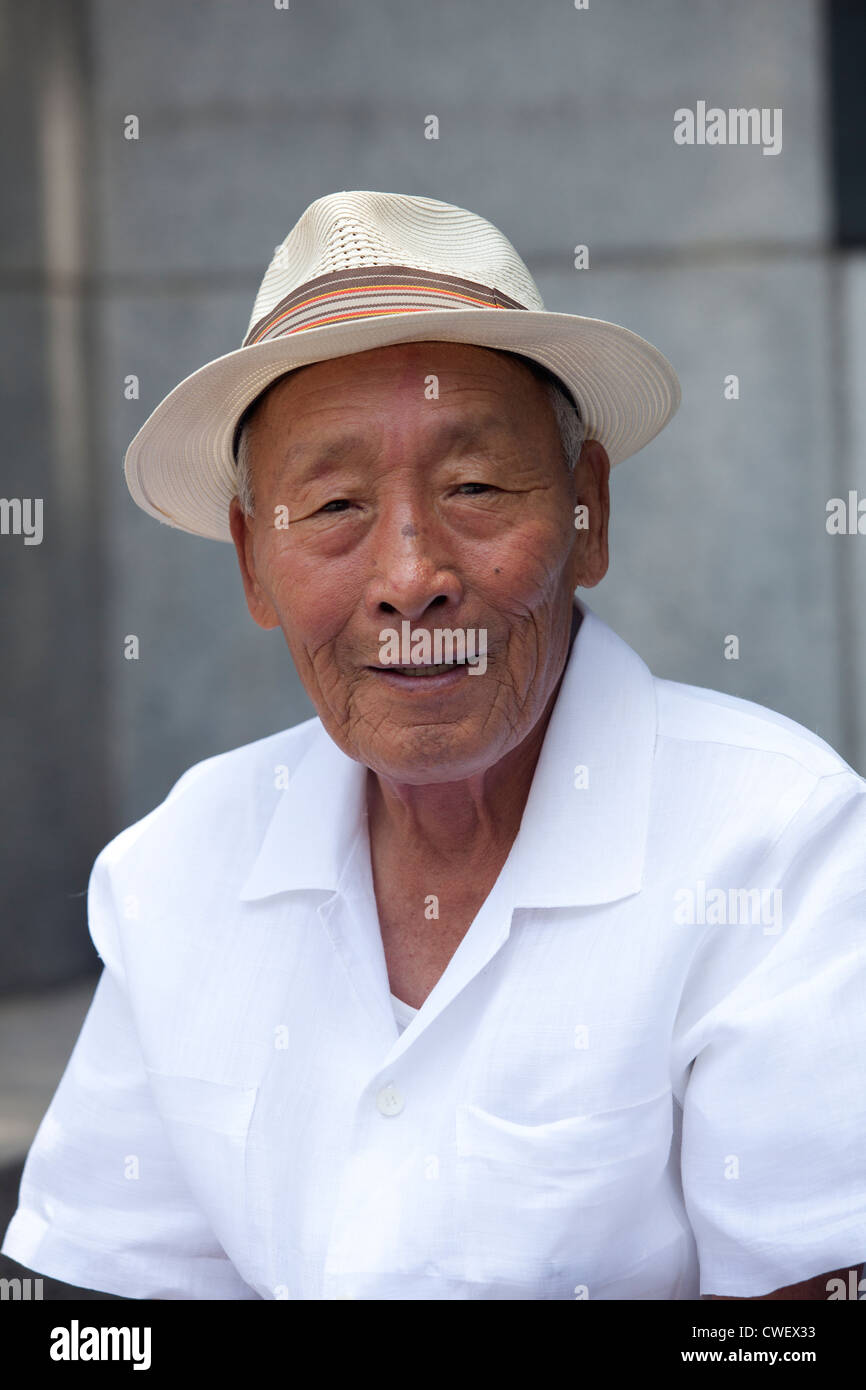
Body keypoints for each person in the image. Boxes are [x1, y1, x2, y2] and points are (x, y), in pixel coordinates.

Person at [3, 191, 865, 1300]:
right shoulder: (178, 867)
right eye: (330, 507)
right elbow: (97, 1303)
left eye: (472, 487)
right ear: (250, 564)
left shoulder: (779, 843)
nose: (411, 578)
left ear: (587, 513)